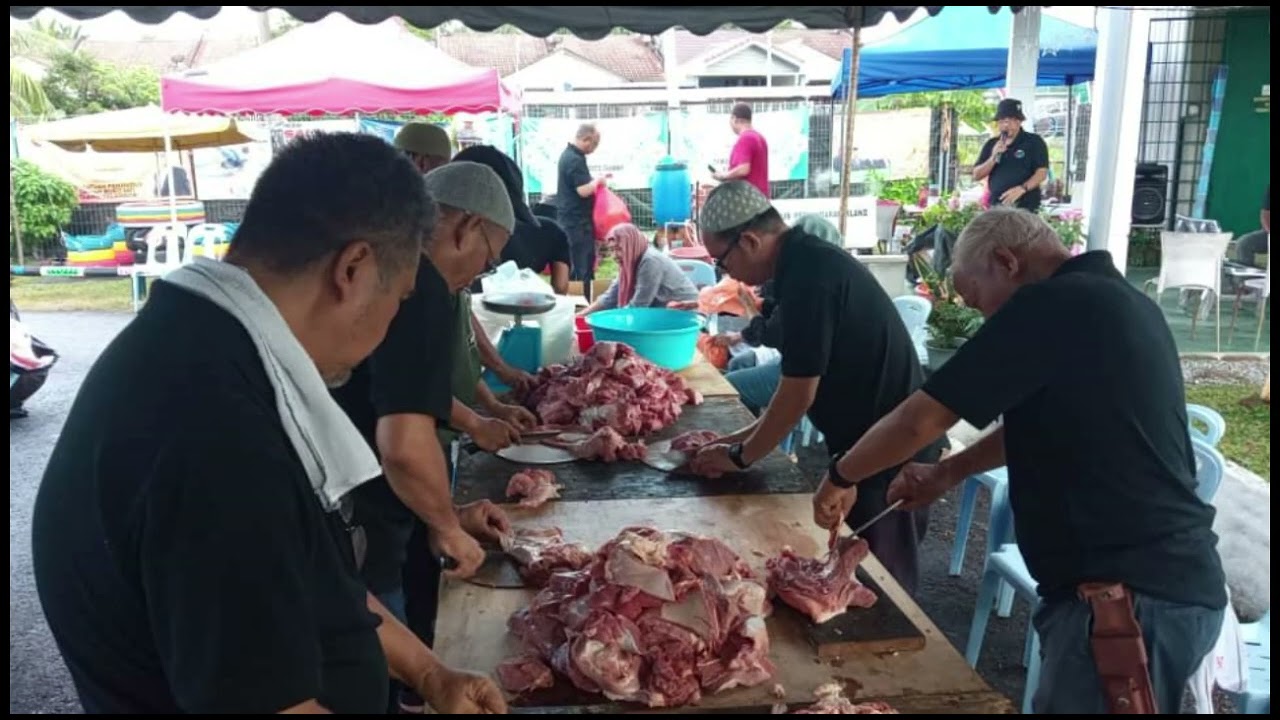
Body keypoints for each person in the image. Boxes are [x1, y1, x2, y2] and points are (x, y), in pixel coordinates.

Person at [31, 133, 505, 714]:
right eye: (400, 298)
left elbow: (314, 577)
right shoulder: (220, 441)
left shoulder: (199, 340)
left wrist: (431, 674)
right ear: (353, 268)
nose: (390, 325)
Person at [815, 207, 1227, 714]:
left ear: (1006, 262)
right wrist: (947, 472)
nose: (984, 315)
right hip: (1152, 588)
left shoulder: (1052, 305)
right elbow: (1041, 422)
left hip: (1130, 598)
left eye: (977, 299)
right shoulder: (1109, 297)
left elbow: (918, 422)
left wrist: (841, 475)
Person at [690, 182, 945, 595]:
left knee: (879, 589)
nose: (726, 273)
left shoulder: (811, 275)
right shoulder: (802, 262)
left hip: (892, 452)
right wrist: (733, 442)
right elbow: (795, 388)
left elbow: (797, 395)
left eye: (722, 260)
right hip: (863, 443)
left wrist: (738, 457)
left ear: (751, 240)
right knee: (848, 572)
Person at [329, 161, 516, 637]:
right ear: (467, 226)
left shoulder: (396, 275)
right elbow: (404, 444)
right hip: (361, 525)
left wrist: (449, 515)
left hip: (352, 512)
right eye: (488, 259)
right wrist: (449, 529)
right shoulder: (422, 283)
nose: (477, 276)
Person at [579, 223, 698, 316]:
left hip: (685, 315)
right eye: (612, 250)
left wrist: (609, 320)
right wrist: (580, 316)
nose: (614, 255)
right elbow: (610, 297)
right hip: (661, 312)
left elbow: (638, 307)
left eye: (619, 249)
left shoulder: (650, 262)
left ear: (631, 245)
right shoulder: (629, 263)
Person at [554, 123, 608, 293]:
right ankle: (584, 299)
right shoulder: (574, 160)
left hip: (569, 219)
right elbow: (583, 190)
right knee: (583, 265)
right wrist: (598, 181)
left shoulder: (568, 155)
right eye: (594, 145)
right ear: (587, 140)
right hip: (577, 222)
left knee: (573, 263)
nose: (594, 149)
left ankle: (574, 295)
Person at [973, 98, 1050, 212]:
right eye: (1001, 121)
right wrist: (993, 157)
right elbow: (976, 175)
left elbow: (1042, 173)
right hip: (997, 205)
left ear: (1019, 121)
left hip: (1026, 205)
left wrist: (1021, 189)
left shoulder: (1034, 142)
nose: (1005, 125)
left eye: (1009, 120)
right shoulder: (992, 144)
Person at [714, 102, 770, 197]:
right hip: (761, 199)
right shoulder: (760, 138)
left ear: (734, 119)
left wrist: (724, 176)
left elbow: (744, 169)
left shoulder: (745, 138)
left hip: (748, 201)